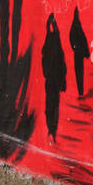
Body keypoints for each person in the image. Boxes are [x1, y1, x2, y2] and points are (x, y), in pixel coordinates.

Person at [41, 13, 67, 142]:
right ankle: (52, 130)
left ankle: (52, 130)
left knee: (50, 106)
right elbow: (62, 64)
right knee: (52, 106)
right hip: (54, 80)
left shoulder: (49, 44)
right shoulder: (55, 44)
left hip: (51, 80)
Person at [68, 7, 90, 98]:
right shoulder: (77, 26)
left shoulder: (74, 26)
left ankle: (80, 91)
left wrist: (75, 48)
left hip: (77, 53)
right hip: (79, 53)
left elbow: (72, 38)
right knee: (79, 71)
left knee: (79, 72)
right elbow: (82, 39)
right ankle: (80, 91)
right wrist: (85, 51)